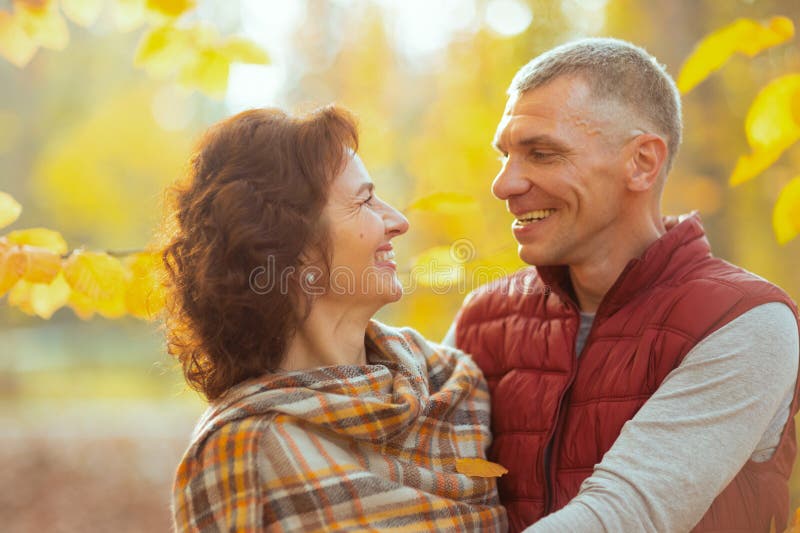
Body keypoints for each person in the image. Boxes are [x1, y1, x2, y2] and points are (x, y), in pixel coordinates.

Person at [443, 38, 800, 532]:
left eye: (541, 153)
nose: (503, 184)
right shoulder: (483, 319)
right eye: (505, 155)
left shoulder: (747, 321)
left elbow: (625, 517)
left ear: (642, 163)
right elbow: (417, 482)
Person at [163, 106, 507, 532]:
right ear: (290, 244)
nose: (398, 222)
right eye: (364, 200)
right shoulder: (244, 453)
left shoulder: (451, 384)